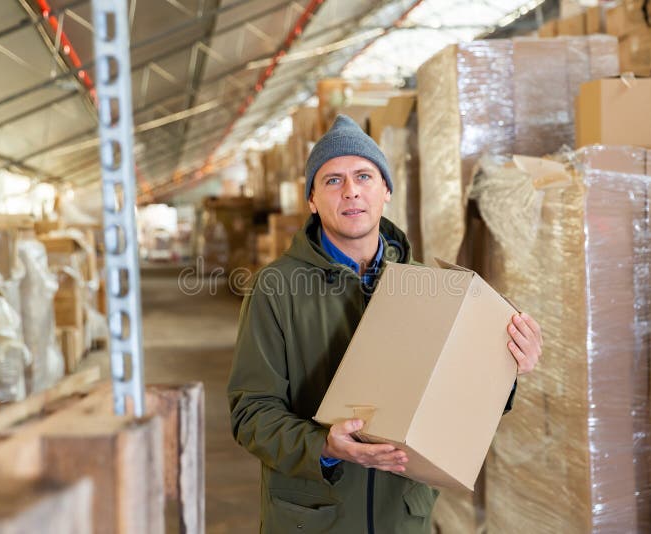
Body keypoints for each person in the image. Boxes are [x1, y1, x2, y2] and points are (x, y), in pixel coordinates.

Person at [227, 115, 543, 533]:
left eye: (364, 176)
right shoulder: (276, 288)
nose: (351, 190)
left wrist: (507, 367)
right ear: (312, 200)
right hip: (315, 518)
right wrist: (324, 446)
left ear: (386, 190)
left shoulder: (430, 288)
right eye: (333, 180)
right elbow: (251, 413)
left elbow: (456, 398)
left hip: (402, 517)